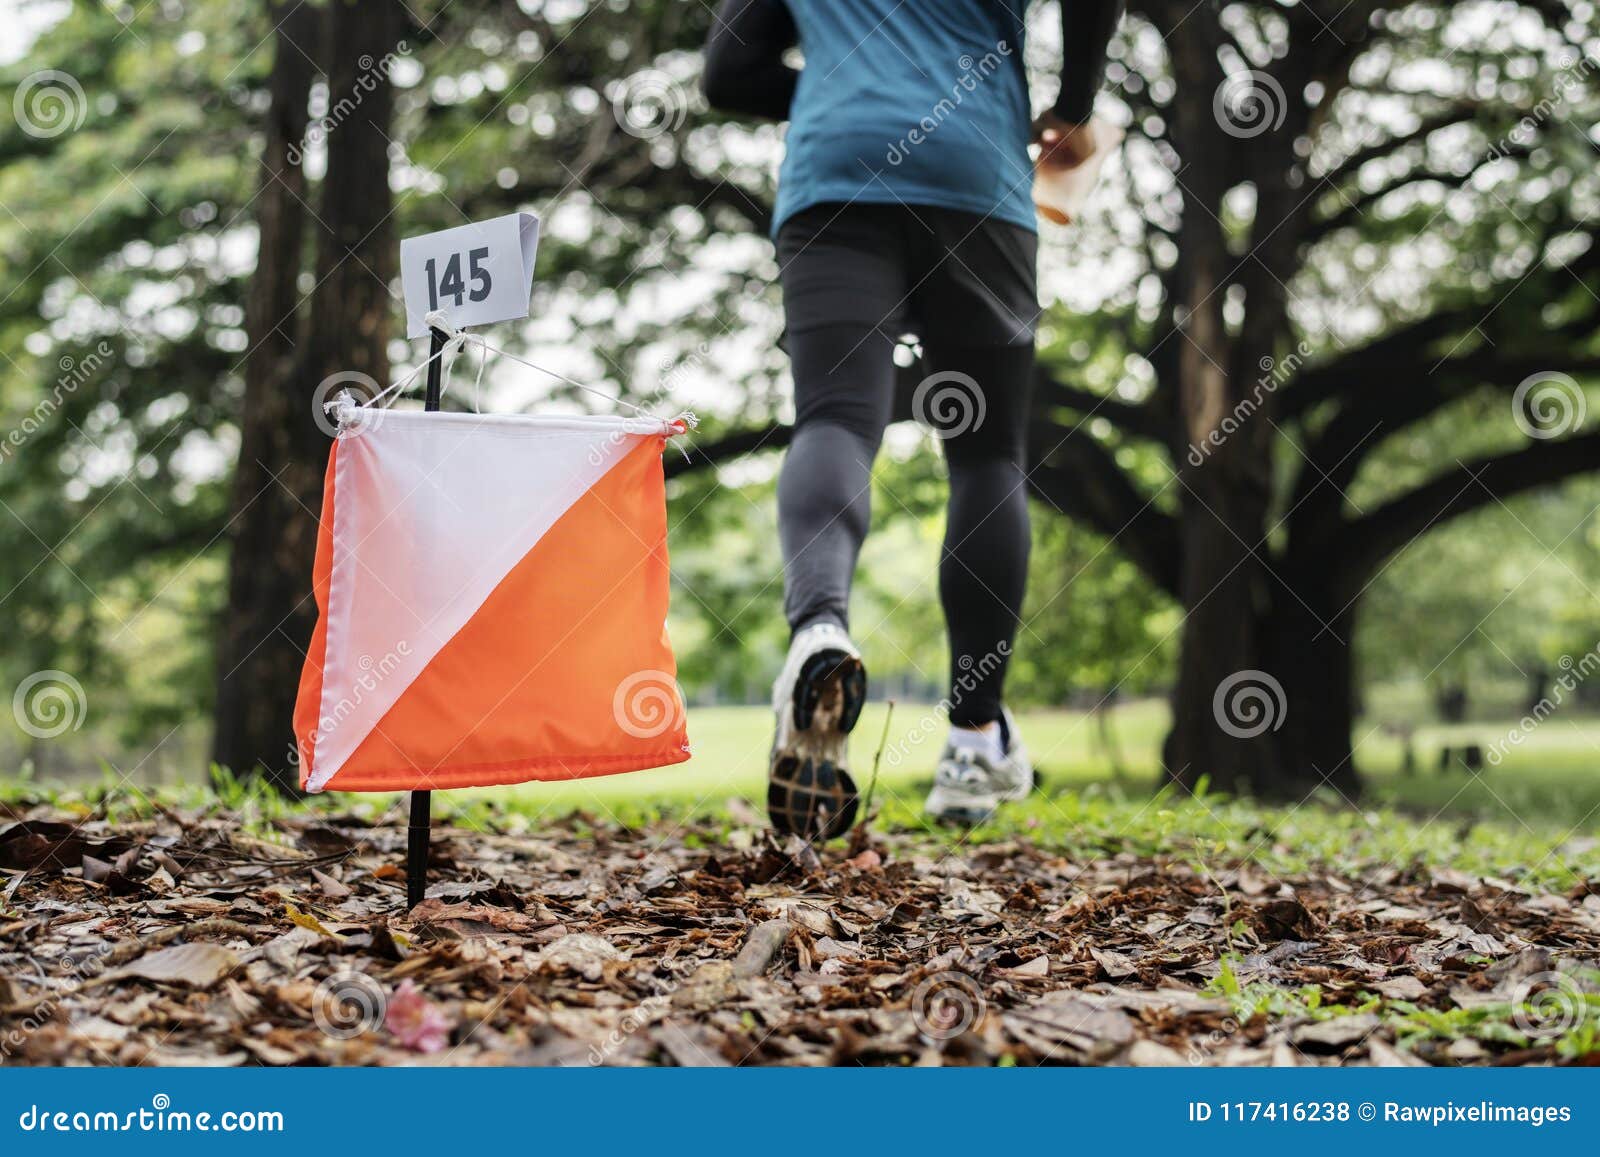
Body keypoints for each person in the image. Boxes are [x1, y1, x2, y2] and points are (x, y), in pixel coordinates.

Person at [703, 0, 1124, 838]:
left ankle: (819, 628)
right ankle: (972, 735)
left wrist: (837, 85)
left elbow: (726, 75)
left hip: (836, 174)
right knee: (986, 456)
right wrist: (1074, 105)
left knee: (833, 420)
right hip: (977, 175)